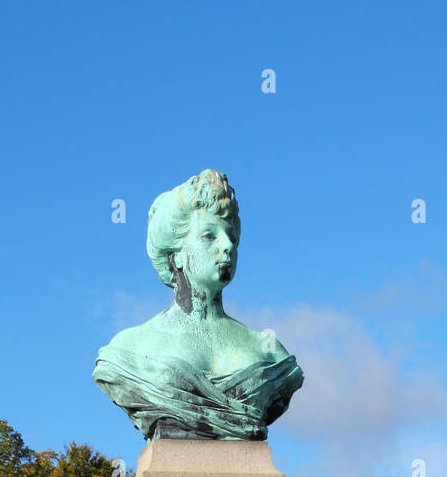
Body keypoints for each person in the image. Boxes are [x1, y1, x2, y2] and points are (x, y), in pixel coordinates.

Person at [93, 170, 304, 440]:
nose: (227, 245)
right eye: (209, 236)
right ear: (176, 254)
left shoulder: (270, 353)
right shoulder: (128, 350)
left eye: (232, 236)